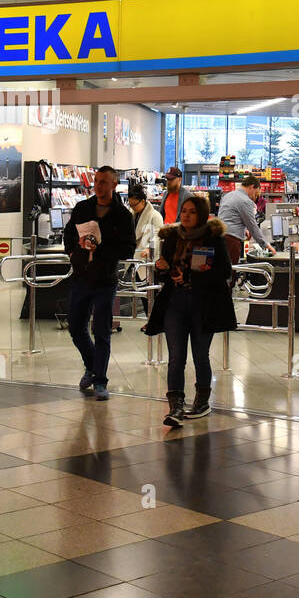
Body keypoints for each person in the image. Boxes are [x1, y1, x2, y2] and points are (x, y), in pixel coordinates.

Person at [145, 197, 236, 427]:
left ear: (202, 214)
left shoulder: (214, 239)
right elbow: (165, 273)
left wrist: (192, 277)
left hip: (204, 304)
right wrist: (162, 268)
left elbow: (224, 271)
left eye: (192, 212)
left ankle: (201, 402)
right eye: (183, 211)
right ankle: (175, 406)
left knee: (200, 355)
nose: (185, 216)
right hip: (175, 303)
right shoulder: (171, 238)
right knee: (176, 357)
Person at [64, 166, 135, 400]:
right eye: (97, 181)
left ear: (114, 185)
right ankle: (92, 366)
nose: (99, 185)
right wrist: (72, 253)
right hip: (81, 277)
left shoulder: (123, 215)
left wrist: (102, 248)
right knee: (75, 328)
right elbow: (69, 234)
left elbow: (128, 249)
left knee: (101, 331)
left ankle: (100, 381)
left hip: (105, 279)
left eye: (104, 182)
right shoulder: (83, 208)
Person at [217, 174, 275, 263]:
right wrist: (266, 246)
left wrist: (244, 230)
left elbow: (229, 218)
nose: (254, 197)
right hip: (231, 240)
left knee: (222, 268)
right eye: (256, 193)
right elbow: (253, 226)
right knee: (230, 271)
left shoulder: (227, 195)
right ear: (252, 187)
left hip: (219, 237)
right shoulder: (245, 201)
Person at [127, 186, 164, 259]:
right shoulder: (131, 214)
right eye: (130, 205)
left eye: (134, 205)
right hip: (132, 256)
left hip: (145, 258)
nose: (132, 208)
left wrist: (150, 248)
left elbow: (157, 237)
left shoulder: (155, 216)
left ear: (143, 201)